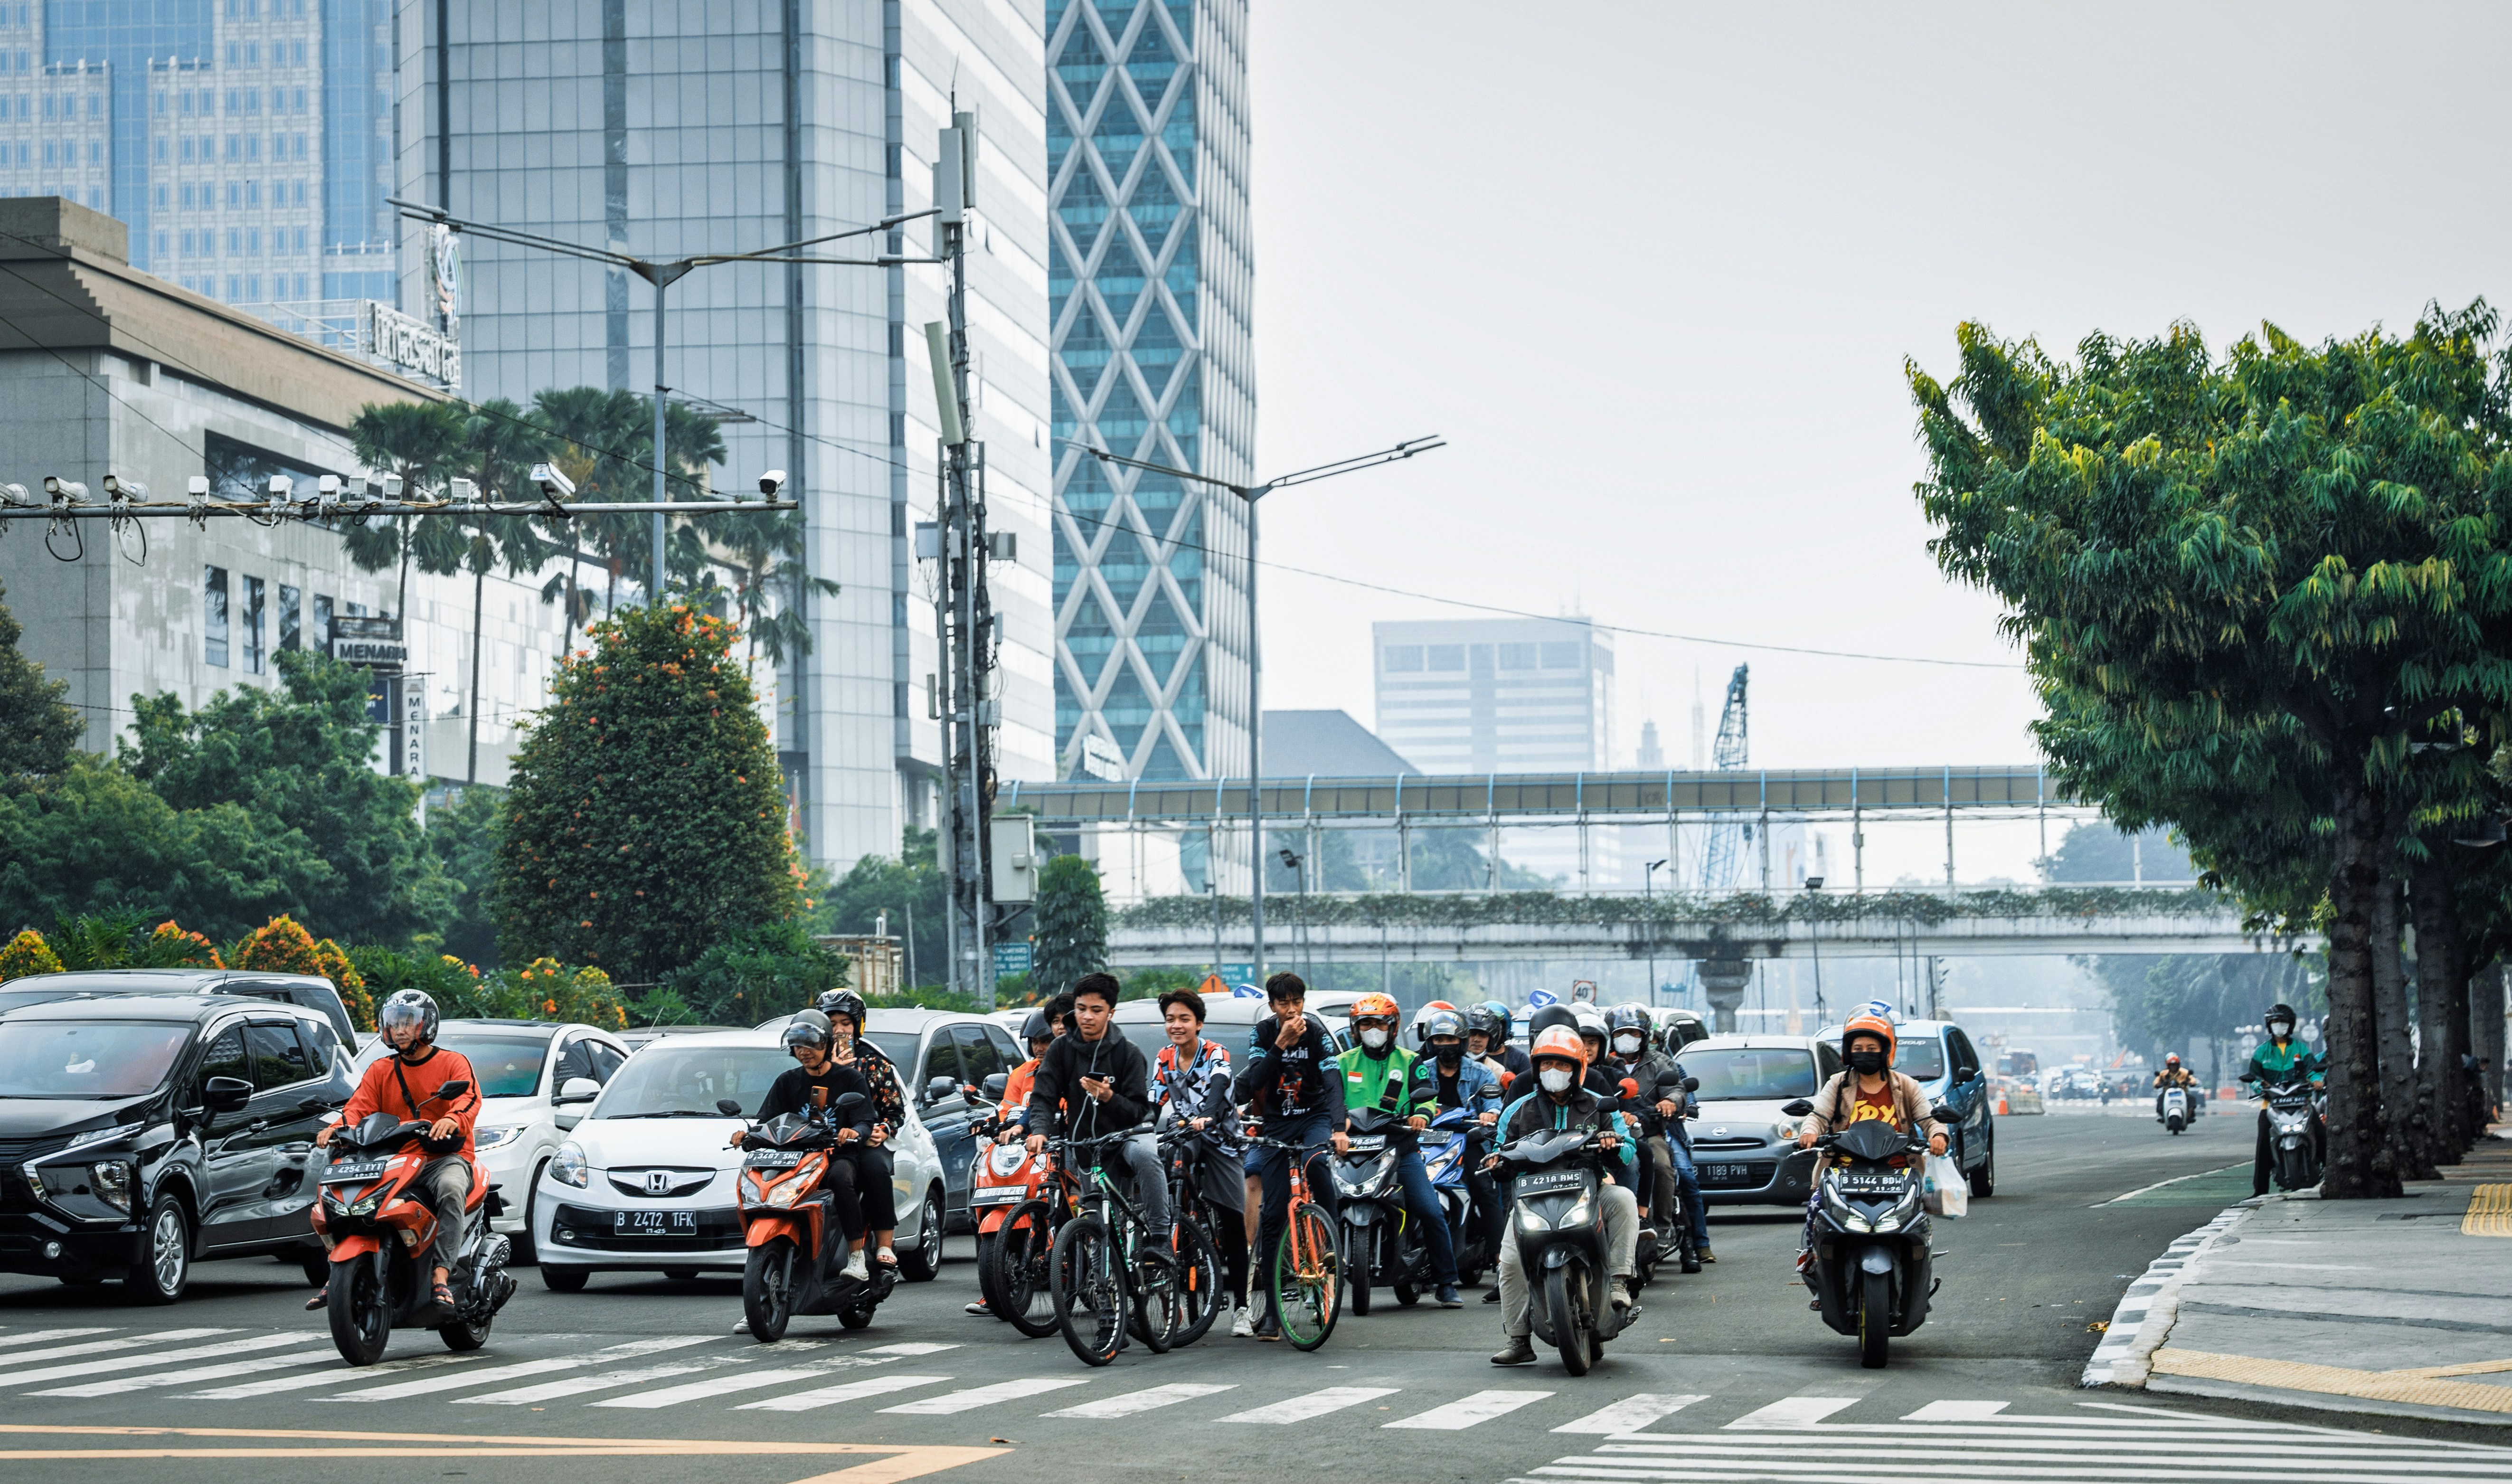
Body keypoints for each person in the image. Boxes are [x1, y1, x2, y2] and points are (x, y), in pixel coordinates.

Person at [309, 990, 481, 1312]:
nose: (400, 1029)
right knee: (340, 1192)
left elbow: (469, 1098)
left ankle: (441, 1275)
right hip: (391, 1159)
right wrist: (336, 1127)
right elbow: (358, 1107)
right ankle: (339, 1273)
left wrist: (450, 1118)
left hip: (439, 1158)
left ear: (426, 1025)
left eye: (408, 1022)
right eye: (395, 1023)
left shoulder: (452, 1062)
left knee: (451, 1189)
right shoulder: (380, 1069)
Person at [1486, 1026, 1639, 1365]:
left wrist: (1614, 1144)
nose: (1554, 1071)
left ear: (1578, 1068)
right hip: (1532, 1199)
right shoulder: (1518, 1109)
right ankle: (1518, 1338)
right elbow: (1498, 1149)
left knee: (1625, 1199)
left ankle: (1618, 1280)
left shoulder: (1600, 1105)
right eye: (1546, 1064)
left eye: (1563, 1064)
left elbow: (1629, 1149)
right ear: (1537, 1068)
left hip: (1590, 1191)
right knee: (1509, 1261)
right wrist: (1497, 1160)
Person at [1231, 970, 1347, 1339]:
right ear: (1273, 1006)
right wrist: (1280, 1043)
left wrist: (1339, 1126)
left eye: (1297, 1002)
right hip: (1276, 1124)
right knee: (1272, 1215)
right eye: (1285, 1003)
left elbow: (1332, 1079)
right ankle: (1271, 1316)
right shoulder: (1263, 1033)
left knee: (1316, 1163)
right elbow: (1255, 1082)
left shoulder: (1315, 1032)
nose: (1293, 1009)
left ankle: (1331, 1241)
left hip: (1313, 1118)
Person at [1331, 992, 1463, 1308]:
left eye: (1379, 1023)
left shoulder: (1409, 1060)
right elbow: (1331, 1101)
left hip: (1399, 1149)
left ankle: (1446, 1281)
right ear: (1355, 1029)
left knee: (1430, 1210)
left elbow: (1425, 1097)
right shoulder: (1341, 1063)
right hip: (1349, 1151)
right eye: (1365, 1024)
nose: (1372, 1029)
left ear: (1393, 1026)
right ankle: (1320, 1284)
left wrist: (1421, 1115)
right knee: (1323, 1209)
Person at [1793, 1013, 1946, 1270]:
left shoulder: (1905, 1085)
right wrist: (1808, 1133)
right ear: (1848, 1053)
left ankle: (1919, 1269)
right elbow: (1818, 1115)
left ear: (1886, 1051)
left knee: (1917, 1224)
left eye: (1872, 1049)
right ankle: (1815, 1264)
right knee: (1817, 1207)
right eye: (1859, 1049)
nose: (1865, 1053)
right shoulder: (1838, 1084)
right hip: (1845, 1172)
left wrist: (1938, 1135)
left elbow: (1928, 1118)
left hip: (1899, 1173)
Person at [1024, 972, 1162, 1253]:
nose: (1087, 1017)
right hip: (1089, 1146)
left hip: (1129, 1137)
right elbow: (1043, 1097)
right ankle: (1104, 1293)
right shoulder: (1060, 1050)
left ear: (1110, 1013)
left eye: (1096, 1011)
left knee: (1147, 1155)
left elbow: (1139, 1112)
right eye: (1081, 1009)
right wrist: (1038, 1131)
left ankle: (1160, 1238)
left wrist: (1109, 1097)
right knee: (1098, 1226)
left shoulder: (1129, 1053)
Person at [745, 1009, 875, 1282]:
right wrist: (747, 1135)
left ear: (827, 1045)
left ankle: (856, 1256)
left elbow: (865, 1121)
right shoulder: (787, 1082)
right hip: (794, 1159)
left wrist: (852, 1132)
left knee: (841, 1179)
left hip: (835, 1155)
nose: (804, 1051)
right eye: (798, 1045)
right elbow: (765, 1121)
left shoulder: (851, 1079)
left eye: (811, 1045)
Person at [1149, 987, 1250, 1335]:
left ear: (1199, 1023)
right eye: (1170, 1019)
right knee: (1166, 1171)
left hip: (1222, 1140)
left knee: (1233, 1219)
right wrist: (1139, 1124)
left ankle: (1241, 1308)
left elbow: (1220, 1084)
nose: (1176, 1025)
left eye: (1184, 1019)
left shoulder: (1215, 1053)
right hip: (1185, 1136)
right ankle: (1178, 1219)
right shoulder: (1163, 1057)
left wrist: (1207, 1115)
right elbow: (1152, 1101)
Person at [965, 1008, 1054, 1315]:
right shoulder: (1022, 1073)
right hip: (1021, 1149)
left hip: (1055, 1146)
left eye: (1046, 1040)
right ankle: (995, 1285)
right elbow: (1008, 1108)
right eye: (1035, 1041)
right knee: (979, 1179)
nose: (1039, 1047)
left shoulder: (1064, 1070)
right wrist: (987, 1121)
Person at [1408, 1007, 1502, 1298]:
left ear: (1461, 1042)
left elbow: (1494, 1102)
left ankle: (1502, 1266)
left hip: (1468, 1140)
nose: (1445, 1046)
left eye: (1451, 1040)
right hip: (1426, 1141)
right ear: (1430, 1043)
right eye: (1439, 1040)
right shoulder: (1421, 1069)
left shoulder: (1480, 1072)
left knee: (1485, 1190)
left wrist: (1490, 1115)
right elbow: (1406, 1101)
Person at [812, 989, 905, 1271]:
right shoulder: (814, 1065)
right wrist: (833, 1073)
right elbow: (807, 1107)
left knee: (875, 1171)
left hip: (863, 1144)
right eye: (832, 1023)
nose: (839, 1030)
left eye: (846, 1023)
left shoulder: (876, 1063)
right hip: (820, 1143)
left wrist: (884, 1130)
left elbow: (895, 1111)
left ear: (858, 1025)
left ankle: (884, 1244)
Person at [2240, 1002, 2323, 1197]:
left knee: (2322, 1133)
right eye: (2275, 1021)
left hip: (2301, 1102)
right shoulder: (2262, 1052)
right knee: (2262, 1142)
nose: (2280, 1025)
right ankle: (2260, 1190)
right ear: (2269, 1025)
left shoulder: (2301, 1049)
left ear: (2290, 1024)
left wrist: (2317, 1081)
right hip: (2271, 1104)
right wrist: (2260, 1086)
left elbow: (2312, 1071)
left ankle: (2329, 1171)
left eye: (2283, 1021)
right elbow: (2255, 1077)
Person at [1473, 1001, 1530, 1082]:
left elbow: (1527, 1089)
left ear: (1504, 1030)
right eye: (1486, 1030)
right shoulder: (1468, 1059)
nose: (1477, 1039)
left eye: (1495, 1029)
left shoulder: (1519, 1058)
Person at [2152, 1053, 2199, 1120]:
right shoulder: (2163, 1073)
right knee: (2160, 1099)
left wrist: (2191, 1083)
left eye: (2175, 1065)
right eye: (2171, 1065)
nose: (2173, 1067)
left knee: (2192, 1099)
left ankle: (2189, 1116)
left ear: (2178, 1065)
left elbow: (2192, 1079)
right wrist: (2158, 1084)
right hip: (2167, 1093)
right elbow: (2157, 1081)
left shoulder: (2185, 1072)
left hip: (2182, 1092)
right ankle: (2163, 1115)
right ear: (2168, 1066)